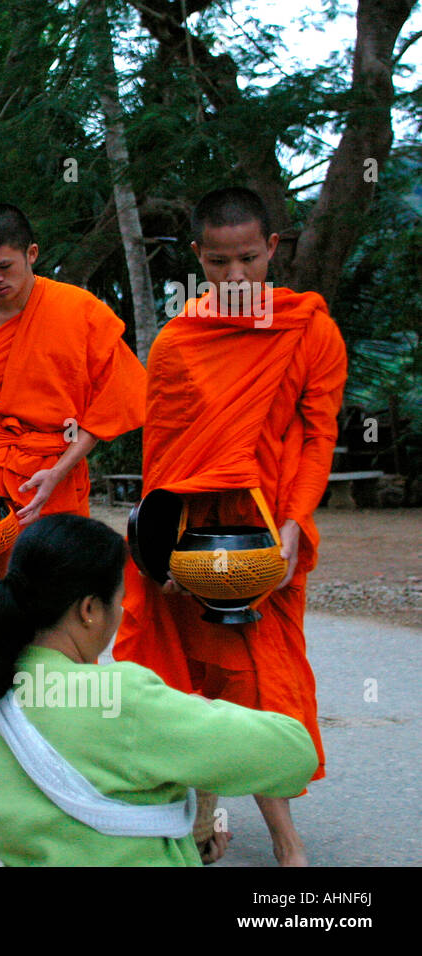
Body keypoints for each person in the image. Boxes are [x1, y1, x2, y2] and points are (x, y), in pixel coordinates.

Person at [113, 187, 348, 867]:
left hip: (266, 537)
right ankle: (207, 808)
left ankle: (283, 833)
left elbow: (317, 430)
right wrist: (161, 553)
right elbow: (162, 458)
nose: (236, 276)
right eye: (219, 263)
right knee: (196, 681)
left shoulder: (308, 329)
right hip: (197, 536)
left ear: (272, 248)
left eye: (248, 258)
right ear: (198, 258)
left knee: (256, 681)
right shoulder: (183, 341)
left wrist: (297, 517)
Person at [0, 514, 319, 866]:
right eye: (119, 603)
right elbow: (294, 756)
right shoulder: (123, 698)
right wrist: (193, 713)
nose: (119, 616)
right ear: (89, 609)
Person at [0, 204, 145, 551]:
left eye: (4, 267)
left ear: (32, 254)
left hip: (63, 476)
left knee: (66, 589)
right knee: (9, 594)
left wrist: (59, 470)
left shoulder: (78, 310)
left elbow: (115, 399)